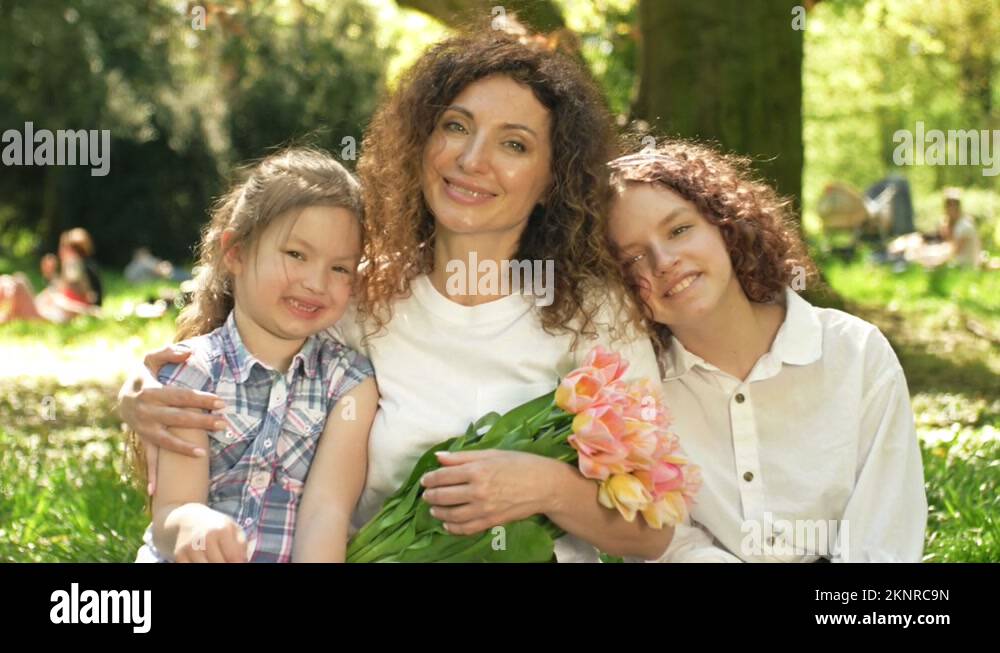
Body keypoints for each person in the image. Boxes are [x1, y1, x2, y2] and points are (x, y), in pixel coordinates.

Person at [119, 29, 672, 562]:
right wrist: (139, 391)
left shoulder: (594, 313)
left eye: (514, 144)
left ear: (554, 178)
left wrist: (548, 488)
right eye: (456, 127)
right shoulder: (359, 293)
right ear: (421, 140)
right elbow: (242, 361)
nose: (472, 159)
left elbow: (652, 533)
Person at [605, 140, 928, 562]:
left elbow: (884, 535)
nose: (663, 261)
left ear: (726, 224)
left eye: (679, 229)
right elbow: (671, 546)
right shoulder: (634, 394)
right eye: (632, 260)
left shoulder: (855, 353)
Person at [133, 147, 377, 563]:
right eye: (296, 255)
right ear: (237, 252)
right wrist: (193, 523)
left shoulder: (350, 383)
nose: (316, 282)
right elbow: (171, 511)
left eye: (340, 268)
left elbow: (327, 512)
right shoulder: (192, 372)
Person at [0, 227, 102, 324]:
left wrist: (57, 300)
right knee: (13, 282)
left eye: (63, 247)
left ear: (71, 250)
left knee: (18, 282)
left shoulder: (74, 266)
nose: (60, 252)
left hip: (48, 316)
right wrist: (51, 276)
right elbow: (64, 290)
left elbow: (85, 304)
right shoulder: (79, 268)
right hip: (46, 312)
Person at [940, 188, 982, 268]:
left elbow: (954, 251)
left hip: (966, 267)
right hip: (962, 265)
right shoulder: (959, 224)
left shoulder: (964, 226)